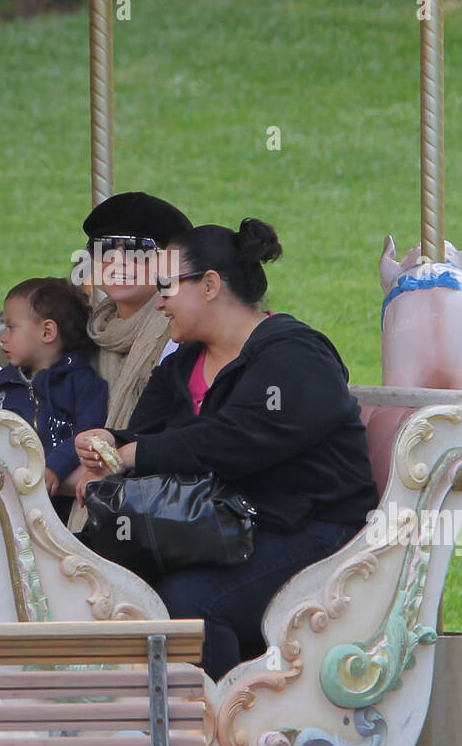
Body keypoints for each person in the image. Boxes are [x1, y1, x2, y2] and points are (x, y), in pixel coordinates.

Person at [75, 219, 379, 681]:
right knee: (88, 576)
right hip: (219, 526)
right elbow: (145, 438)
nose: (159, 301)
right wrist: (108, 447)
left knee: (190, 603)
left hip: (312, 530)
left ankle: (218, 733)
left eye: (167, 287)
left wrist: (134, 453)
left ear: (210, 285)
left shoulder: (296, 356)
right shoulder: (180, 367)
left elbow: (237, 442)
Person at [66, 191, 193, 526]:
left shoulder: (181, 337)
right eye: (105, 248)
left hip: (150, 506)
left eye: (138, 250)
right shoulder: (87, 330)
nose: (118, 262)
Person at [0, 278, 108, 522]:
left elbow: (90, 434)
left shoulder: (85, 385)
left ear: (47, 331)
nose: (2, 338)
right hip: (0, 511)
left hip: (60, 514)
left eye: (11, 327)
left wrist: (54, 466)